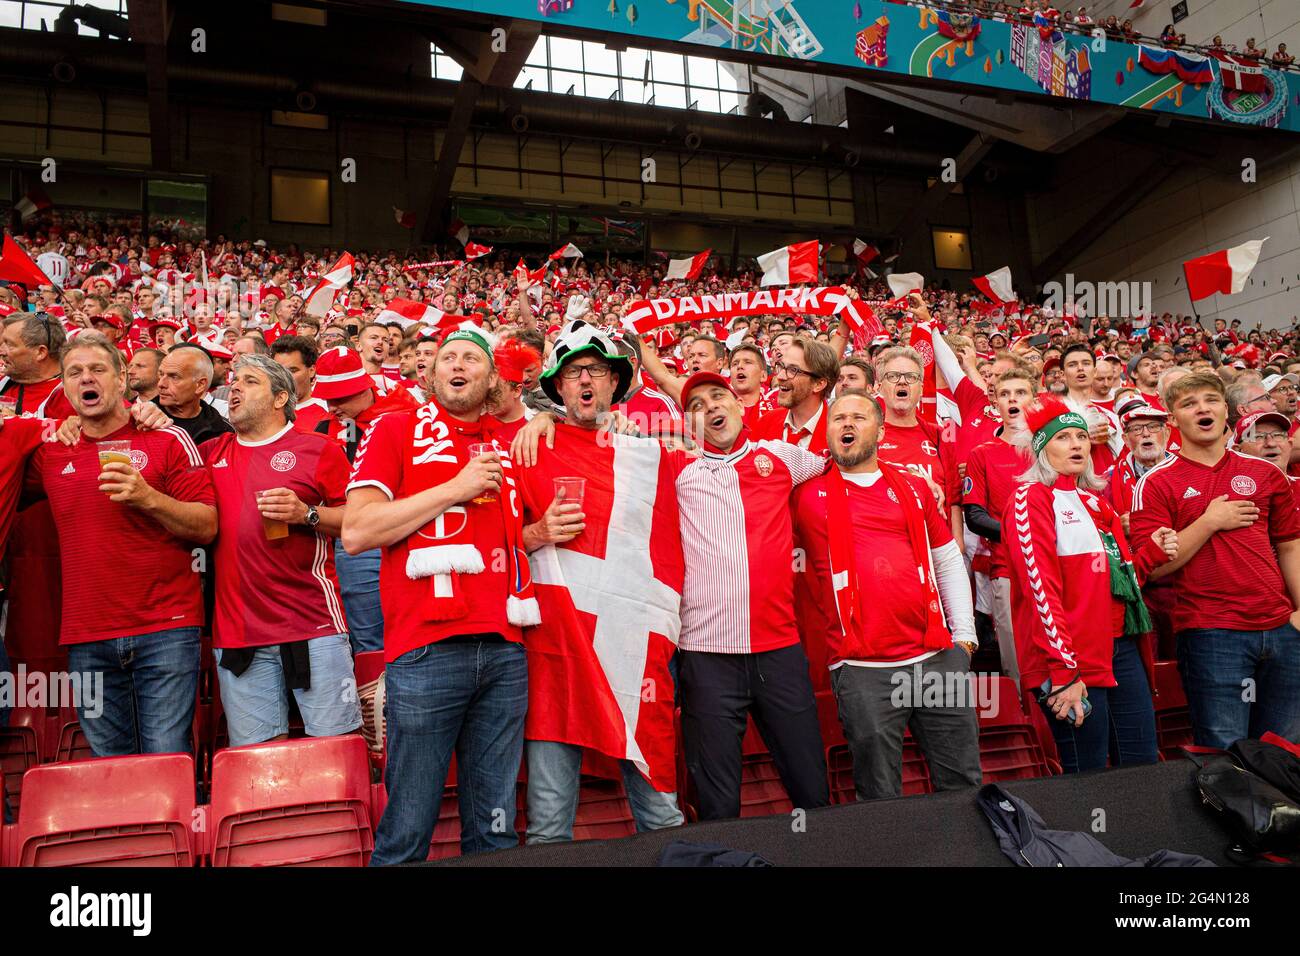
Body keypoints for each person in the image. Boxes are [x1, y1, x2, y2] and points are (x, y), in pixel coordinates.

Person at [345, 326, 536, 863]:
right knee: (408, 831)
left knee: (495, 830)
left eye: (472, 359)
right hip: (427, 649)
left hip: (506, 646)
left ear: (492, 378)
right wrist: (456, 487)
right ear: (429, 374)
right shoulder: (394, 429)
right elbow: (357, 531)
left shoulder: (507, 440)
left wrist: (539, 535)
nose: (458, 364)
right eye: (447, 356)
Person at [515, 320, 685, 842]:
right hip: (557, 652)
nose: (584, 379)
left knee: (662, 819)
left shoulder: (653, 455)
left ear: (615, 383)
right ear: (558, 388)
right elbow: (493, 543)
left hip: (633, 648)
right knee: (548, 829)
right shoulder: (526, 448)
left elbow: (730, 444)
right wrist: (535, 534)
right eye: (572, 372)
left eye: (595, 370)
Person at [28, 332, 217, 756]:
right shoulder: (52, 451)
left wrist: (148, 498)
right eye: (74, 372)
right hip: (86, 632)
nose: (85, 379)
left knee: (166, 757)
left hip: (165, 627)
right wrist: (54, 426)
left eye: (97, 369)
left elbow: (206, 525)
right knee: (108, 768)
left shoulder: (168, 439)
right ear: (63, 386)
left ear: (121, 380)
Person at [791, 389, 979, 800]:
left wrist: (964, 639)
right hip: (862, 667)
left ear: (879, 430)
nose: (847, 424)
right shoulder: (805, 494)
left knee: (962, 785)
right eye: (838, 418)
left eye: (859, 417)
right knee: (879, 795)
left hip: (936, 657)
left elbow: (947, 559)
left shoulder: (914, 487)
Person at [673, 370, 829, 820]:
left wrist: (922, 482)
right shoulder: (675, 467)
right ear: (690, 425)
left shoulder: (780, 456)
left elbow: (845, 459)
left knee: (811, 791)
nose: (711, 408)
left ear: (742, 405)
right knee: (718, 806)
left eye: (718, 397)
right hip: (706, 657)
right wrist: (544, 419)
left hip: (779, 650)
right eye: (697, 406)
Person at [1005, 396, 1174, 773]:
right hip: (1071, 659)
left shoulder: (1096, 503)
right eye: (1063, 437)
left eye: (1081, 436)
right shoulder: (1030, 497)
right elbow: (1040, 589)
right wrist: (1064, 673)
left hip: (1122, 648)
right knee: (1088, 775)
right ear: (1041, 448)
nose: (1077, 444)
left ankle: (1136, 835)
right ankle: (1088, 835)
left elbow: (1121, 584)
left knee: (1142, 766)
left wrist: (1151, 556)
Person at [1131, 373, 1300, 748]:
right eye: (1189, 404)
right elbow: (1151, 566)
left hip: (1280, 629)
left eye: (1211, 400)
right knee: (1225, 752)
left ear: (1227, 410)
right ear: (1172, 419)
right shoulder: (1156, 483)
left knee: (1284, 751)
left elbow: (1289, 545)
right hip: (1212, 633)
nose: (1202, 408)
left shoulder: (1266, 472)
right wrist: (1209, 522)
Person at [200, 354, 360, 746]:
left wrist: (306, 514)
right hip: (238, 631)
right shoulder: (211, 452)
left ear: (279, 398)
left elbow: (360, 523)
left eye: (250, 381)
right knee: (257, 761)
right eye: (234, 381)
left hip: (312, 623)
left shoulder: (317, 448)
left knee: (336, 747)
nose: (235, 387)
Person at [313, 345, 417, 654]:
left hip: (403, 529)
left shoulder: (405, 415)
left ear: (364, 387)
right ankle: (373, 699)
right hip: (354, 540)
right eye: (329, 398)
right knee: (369, 639)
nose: (333, 407)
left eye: (341, 397)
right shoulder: (324, 428)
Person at [962, 367, 1034, 680]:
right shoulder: (983, 454)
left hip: (1058, 567)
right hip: (1007, 568)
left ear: (1034, 399)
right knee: (1018, 664)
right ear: (996, 403)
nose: (1012, 399)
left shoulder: (1054, 447)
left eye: (1020, 393)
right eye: (1005, 394)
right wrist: (1025, 535)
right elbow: (975, 517)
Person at [754, 336, 837, 454]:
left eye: (793, 370)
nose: (780, 376)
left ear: (819, 384)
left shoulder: (838, 434)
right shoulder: (766, 423)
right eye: (781, 366)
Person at [155, 344, 234, 445]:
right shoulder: (141, 418)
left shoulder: (223, 433)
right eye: (161, 374)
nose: (161, 384)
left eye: (174, 377)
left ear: (200, 385)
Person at [269, 334, 329, 433]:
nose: (285, 377)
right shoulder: (263, 410)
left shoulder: (329, 409)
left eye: (292, 370)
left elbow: (350, 439)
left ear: (311, 370)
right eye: (279, 371)